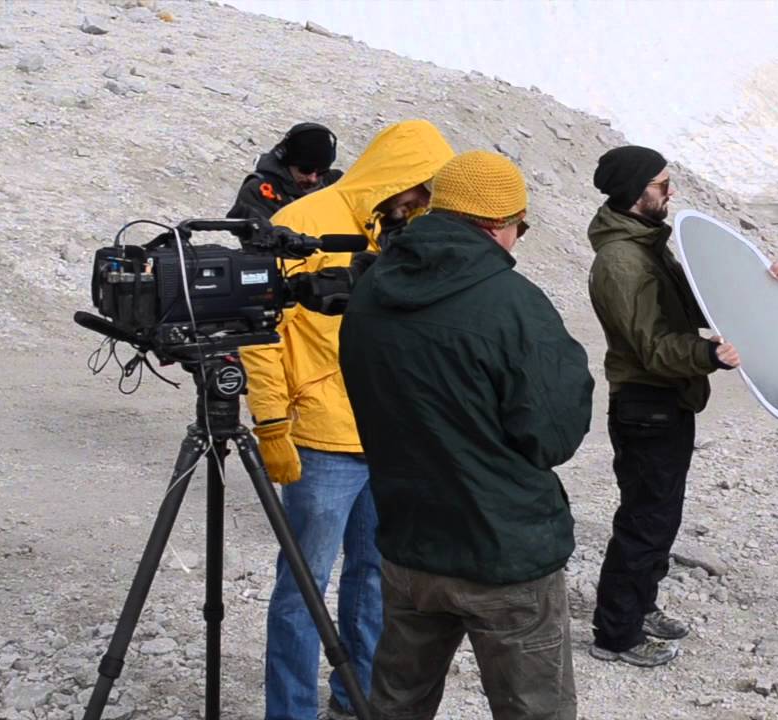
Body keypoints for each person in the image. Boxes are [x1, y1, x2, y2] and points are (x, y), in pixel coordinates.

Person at [339, 150, 594, 720]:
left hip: (410, 544)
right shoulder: (513, 305)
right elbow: (554, 436)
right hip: (504, 552)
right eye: (520, 228)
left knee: (396, 704)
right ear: (500, 223)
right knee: (536, 710)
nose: (518, 241)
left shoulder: (373, 287)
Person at [241, 119, 455, 720]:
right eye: (417, 189)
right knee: (303, 590)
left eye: (430, 194)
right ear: (393, 175)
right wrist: (271, 422)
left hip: (390, 439)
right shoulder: (305, 221)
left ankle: (358, 702)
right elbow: (260, 333)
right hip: (320, 442)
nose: (420, 203)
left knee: (376, 585)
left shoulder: (406, 236)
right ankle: (290, 712)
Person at [586, 145, 778, 668]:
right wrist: (708, 354)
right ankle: (616, 635)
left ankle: (639, 606)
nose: (669, 191)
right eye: (660, 184)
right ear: (635, 195)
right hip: (645, 403)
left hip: (667, 401)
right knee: (644, 521)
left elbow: (690, 303)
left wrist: (759, 286)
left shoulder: (647, 245)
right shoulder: (621, 262)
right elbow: (651, 346)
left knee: (661, 514)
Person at [228, 122, 344, 221]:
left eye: (321, 171)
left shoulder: (337, 182)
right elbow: (258, 241)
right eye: (305, 170)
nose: (313, 178)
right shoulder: (257, 191)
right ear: (285, 161)